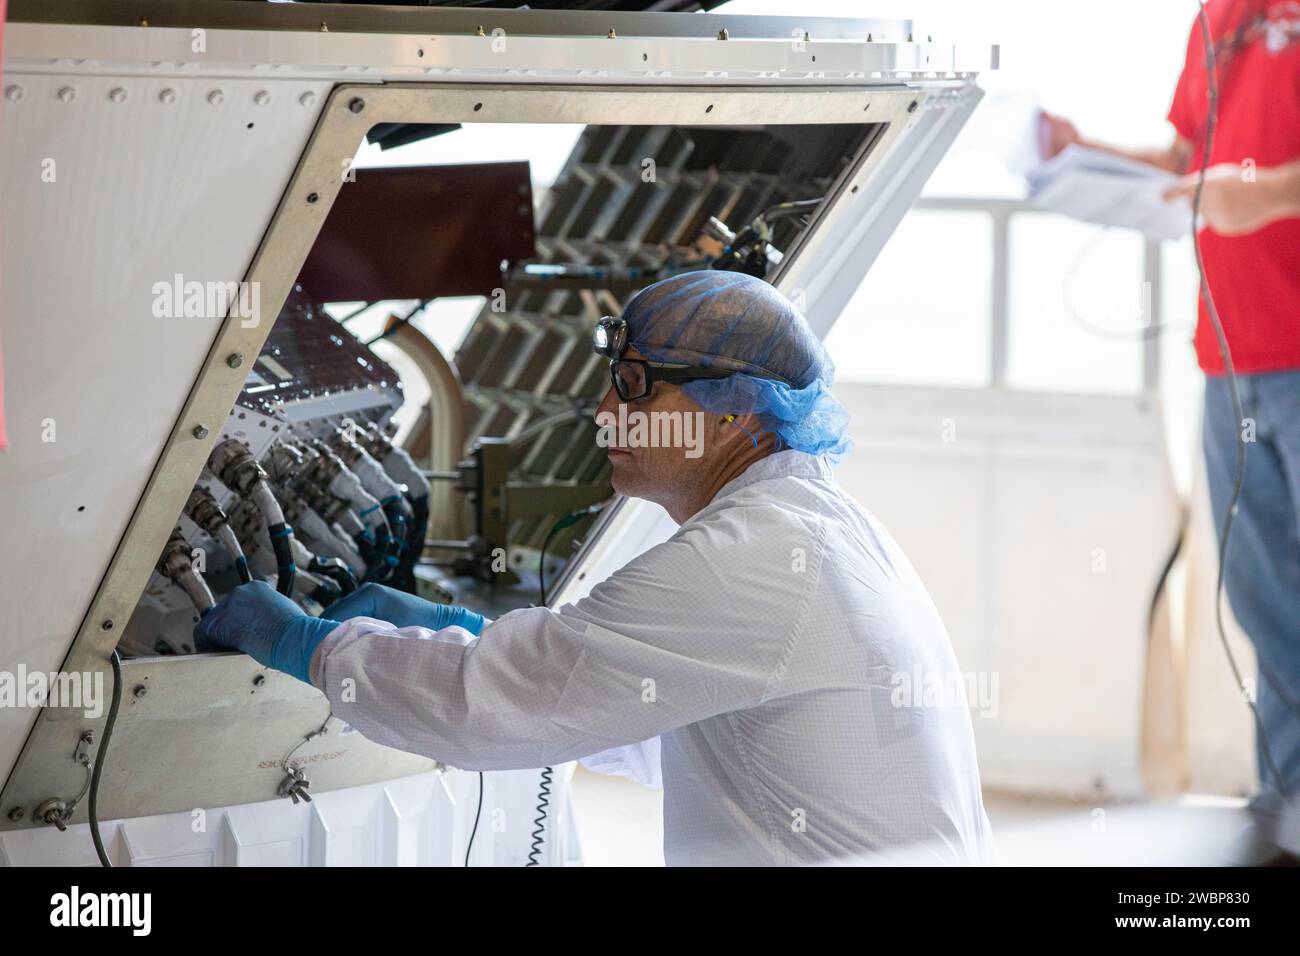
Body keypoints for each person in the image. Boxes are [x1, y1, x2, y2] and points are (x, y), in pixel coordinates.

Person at [196, 270, 992, 866]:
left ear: (735, 411)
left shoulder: (748, 562)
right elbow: (663, 724)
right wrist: (481, 633)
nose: (605, 412)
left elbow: (481, 711)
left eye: (637, 387)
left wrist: (303, 643)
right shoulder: (816, 527)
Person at [1044, 0, 1300, 857]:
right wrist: (1084, 150)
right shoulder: (1217, 17)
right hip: (1232, 358)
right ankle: (1289, 808)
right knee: (1266, 607)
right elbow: (1192, 157)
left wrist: (1267, 193)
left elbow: (1251, 178)